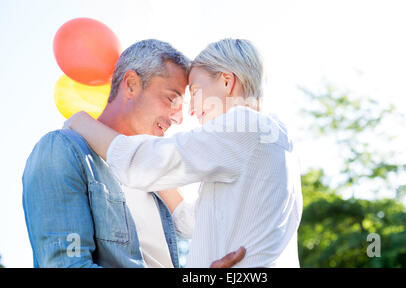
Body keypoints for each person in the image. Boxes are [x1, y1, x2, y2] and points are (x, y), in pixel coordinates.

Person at [66, 38, 303, 267]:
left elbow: (139, 164)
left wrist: (80, 121)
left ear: (227, 82)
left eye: (197, 92)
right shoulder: (270, 142)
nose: (191, 110)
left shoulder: (244, 125)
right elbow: (192, 223)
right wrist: (161, 173)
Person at [22, 39, 245, 268]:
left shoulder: (152, 182)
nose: (178, 119)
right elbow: (67, 265)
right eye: (171, 99)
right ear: (130, 84)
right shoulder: (62, 151)